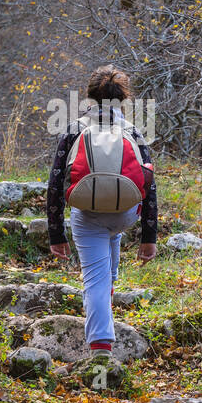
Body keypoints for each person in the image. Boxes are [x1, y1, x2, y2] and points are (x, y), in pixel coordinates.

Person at [46, 65, 157, 356]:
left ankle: (100, 346)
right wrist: (149, 237)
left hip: (87, 213)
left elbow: (56, 183)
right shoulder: (133, 132)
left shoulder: (74, 130)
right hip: (125, 214)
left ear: (90, 96)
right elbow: (149, 184)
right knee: (109, 257)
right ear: (124, 99)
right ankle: (108, 295)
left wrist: (56, 234)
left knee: (95, 276)